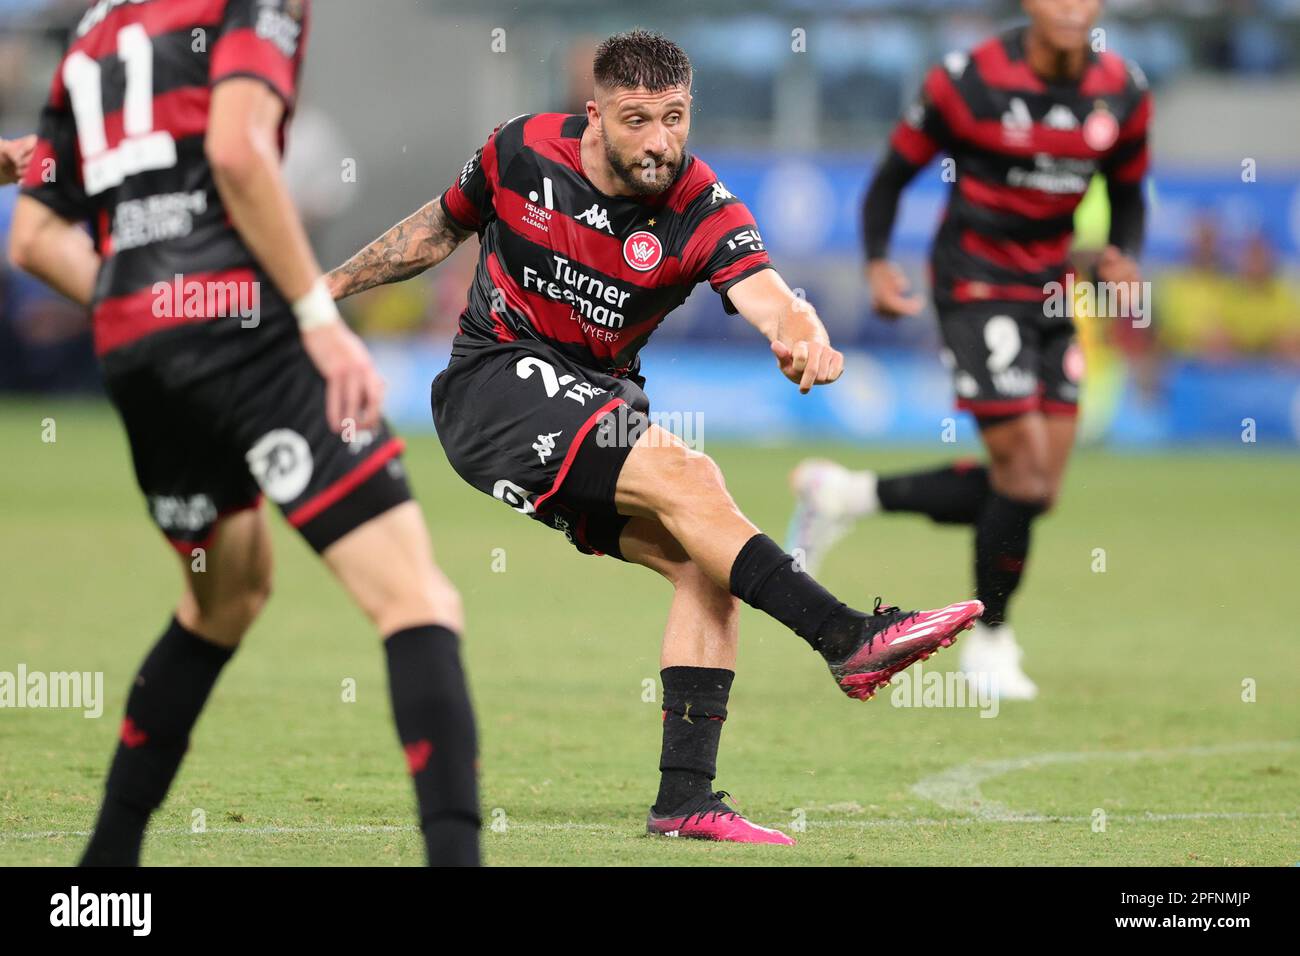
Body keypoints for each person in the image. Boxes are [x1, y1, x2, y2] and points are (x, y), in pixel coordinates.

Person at [326, 29, 982, 845]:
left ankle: (685, 799)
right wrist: (326, 291)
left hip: (593, 402)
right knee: (691, 475)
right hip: (491, 383)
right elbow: (437, 228)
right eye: (638, 120)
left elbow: (768, 291)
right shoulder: (520, 152)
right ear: (595, 115)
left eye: (675, 117)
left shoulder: (701, 207)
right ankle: (848, 636)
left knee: (704, 559)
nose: (661, 141)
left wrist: (800, 330)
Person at [8, 0, 479, 866]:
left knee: (225, 598)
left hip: (134, 349)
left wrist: (140, 310)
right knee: (415, 598)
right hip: (241, 330)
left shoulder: (94, 32)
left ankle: (100, 877)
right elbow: (235, 148)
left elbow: (34, 239)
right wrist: (316, 319)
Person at [788, 0, 1150, 700]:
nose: (1072, 7)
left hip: (1052, 291)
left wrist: (1123, 254)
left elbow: (1129, 189)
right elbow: (891, 177)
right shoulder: (969, 80)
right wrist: (876, 263)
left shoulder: (1124, 90)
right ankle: (990, 643)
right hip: (976, 285)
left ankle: (843, 493)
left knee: (1038, 488)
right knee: (1020, 475)